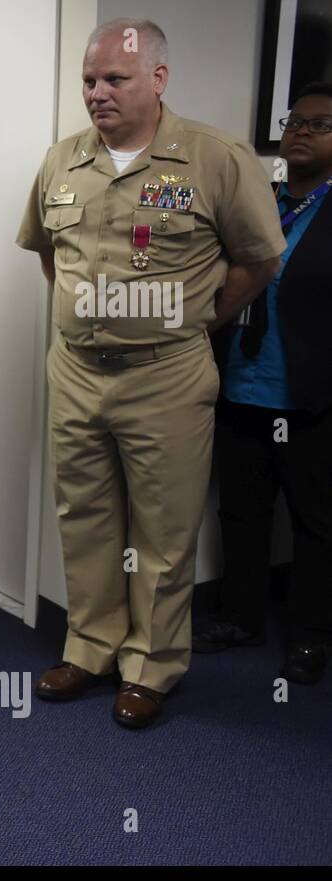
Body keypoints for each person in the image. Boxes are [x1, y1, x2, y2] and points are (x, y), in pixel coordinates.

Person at [16, 20, 284, 727]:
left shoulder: (214, 158)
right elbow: (50, 258)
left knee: (163, 533)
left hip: (166, 376)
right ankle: (92, 645)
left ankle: (153, 664)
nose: (97, 93)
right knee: (85, 518)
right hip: (75, 371)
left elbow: (259, 262)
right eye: (89, 80)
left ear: (158, 79)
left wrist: (192, 322)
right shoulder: (62, 161)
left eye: (115, 80)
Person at [193, 81, 332, 686]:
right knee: (242, 513)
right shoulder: (261, 199)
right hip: (241, 386)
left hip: (312, 398)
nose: (300, 131)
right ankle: (240, 615)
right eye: (294, 120)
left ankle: (309, 635)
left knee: (315, 521)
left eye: (319, 124)